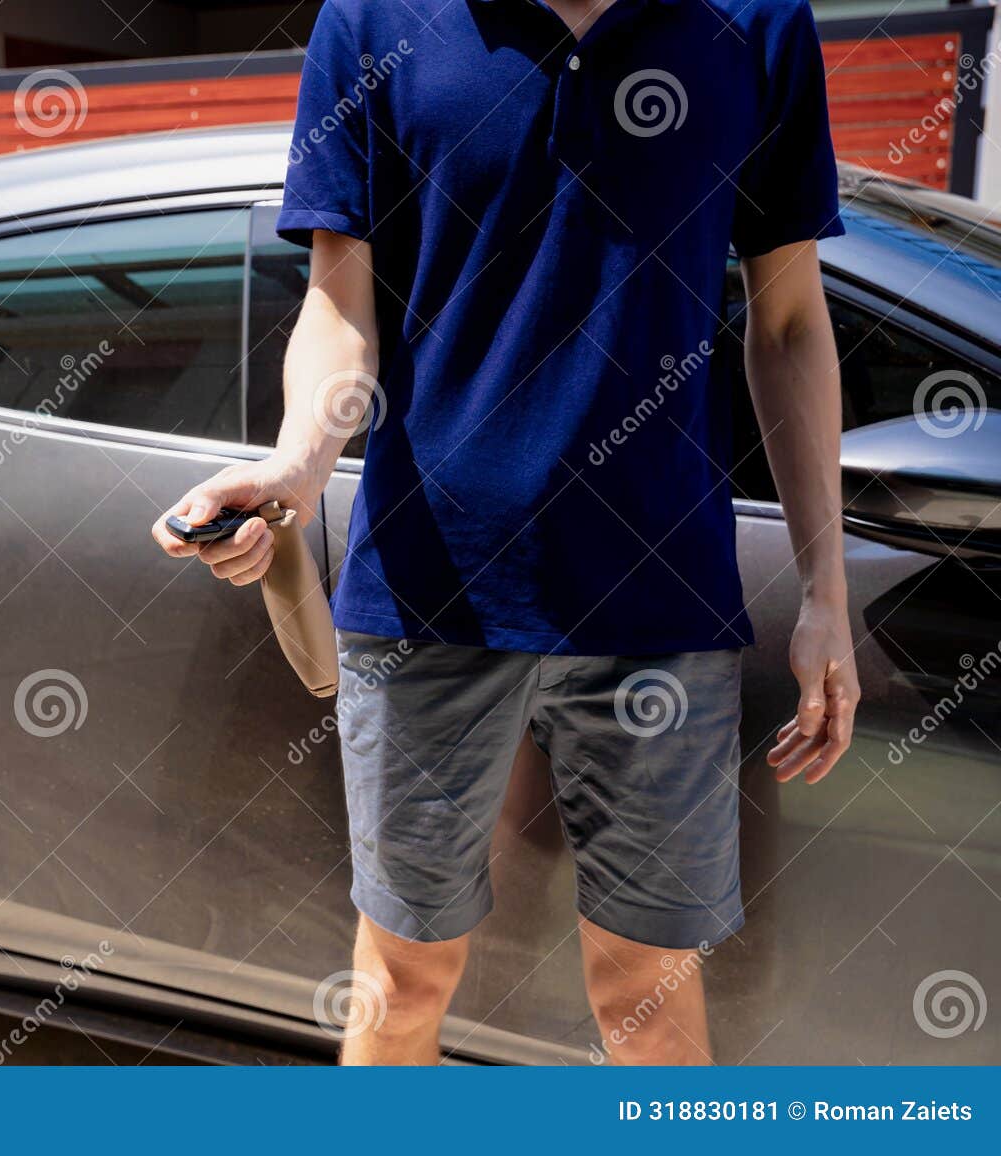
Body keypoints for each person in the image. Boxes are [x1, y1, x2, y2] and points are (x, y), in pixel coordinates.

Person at [151, 0, 861, 1065]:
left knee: (650, 997)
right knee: (398, 985)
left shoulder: (752, 23)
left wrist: (823, 593)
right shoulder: (374, 22)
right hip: (432, 595)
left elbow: (791, 322)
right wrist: (295, 467)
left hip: (660, 602)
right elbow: (341, 309)